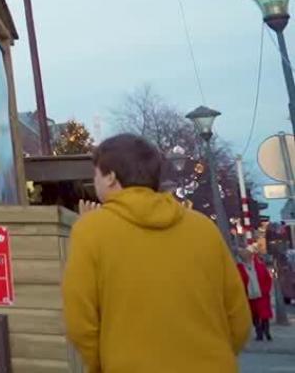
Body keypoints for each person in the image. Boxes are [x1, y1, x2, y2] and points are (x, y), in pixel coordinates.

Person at [62, 134, 250, 372]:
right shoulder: (203, 228)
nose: (95, 181)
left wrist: (108, 362)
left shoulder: (90, 231)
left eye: (96, 174)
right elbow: (239, 317)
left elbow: (80, 323)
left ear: (110, 177)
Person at [237, 248, 274, 342]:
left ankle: (267, 332)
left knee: (264, 315)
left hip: (262, 294)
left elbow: (267, 278)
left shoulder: (260, 266)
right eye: (243, 257)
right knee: (255, 315)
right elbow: (239, 282)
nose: (246, 258)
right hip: (250, 296)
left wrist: (266, 290)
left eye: (247, 256)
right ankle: (259, 333)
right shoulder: (239, 268)